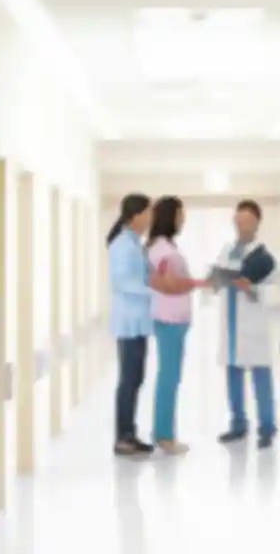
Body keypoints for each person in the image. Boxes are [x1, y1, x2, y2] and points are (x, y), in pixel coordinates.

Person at [213, 200, 280, 449]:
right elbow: (217, 280)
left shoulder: (265, 257)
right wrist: (217, 279)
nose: (241, 225)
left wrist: (251, 289)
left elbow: (275, 292)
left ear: (257, 223)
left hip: (254, 327)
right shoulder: (227, 250)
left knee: (261, 378)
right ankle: (238, 425)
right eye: (238, 220)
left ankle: (267, 428)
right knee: (233, 376)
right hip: (230, 325)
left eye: (247, 220)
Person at [145, 196, 205, 456]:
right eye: (180, 215)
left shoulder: (165, 246)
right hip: (169, 321)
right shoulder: (162, 250)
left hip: (173, 321)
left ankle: (163, 432)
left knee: (169, 376)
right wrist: (198, 283)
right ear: (171, 217)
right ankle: (165, 436)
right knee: (169, 377)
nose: (183, 220)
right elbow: (168, 284)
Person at [106, 193, 156, 456]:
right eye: (147, 213)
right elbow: (122, 282)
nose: (150, 219)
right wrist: (153, 290)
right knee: (128, 380)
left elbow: (141, 275)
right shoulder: (121, 245)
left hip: (138, 322)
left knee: (136, 379)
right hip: (128, 323)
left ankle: (130, 433)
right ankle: (123, 437)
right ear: (135, 215)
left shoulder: (135, 243)